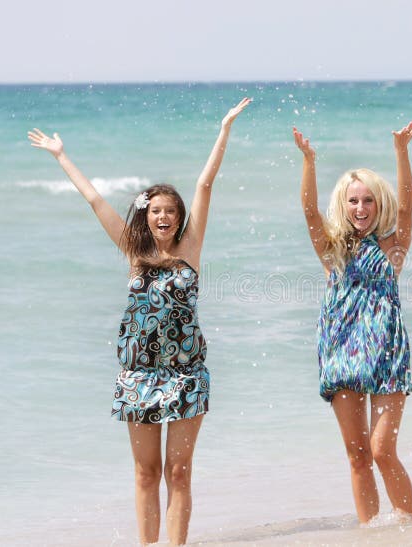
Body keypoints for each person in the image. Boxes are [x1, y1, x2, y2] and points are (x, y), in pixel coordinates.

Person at [28, 97, 250, 545]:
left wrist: (224, 128)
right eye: (156, 211)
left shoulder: (190, 250)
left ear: (179, 216)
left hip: (186, 373)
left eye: (170, 210)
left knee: (179, 471)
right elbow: (94, 199)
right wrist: (60, 154)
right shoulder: (133, 251)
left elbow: (205, 184)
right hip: (140, 375)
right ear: (146, 218)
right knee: (147, 473)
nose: (164, 217)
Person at [292, 120, 412, 525]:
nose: (361, 208)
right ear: (343, 206)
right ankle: (370, 531)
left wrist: (401, 151)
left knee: (382, 449)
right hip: (341, 350)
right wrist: (309, 162)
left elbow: (406, 207)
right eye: (353, 201)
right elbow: (310, 211)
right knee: (358, 454)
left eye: (368, 201)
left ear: (377, 205)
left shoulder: (392, 246)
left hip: (386, 352)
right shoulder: (331, 251)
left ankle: (408, 525)